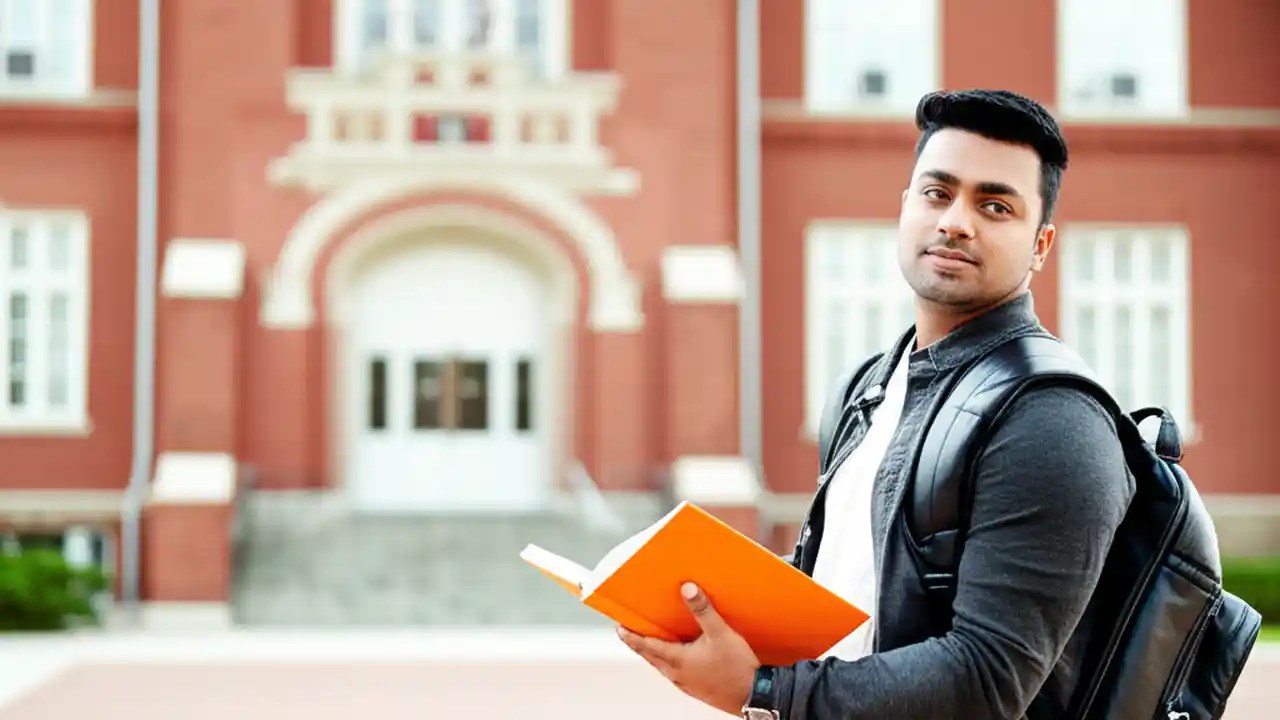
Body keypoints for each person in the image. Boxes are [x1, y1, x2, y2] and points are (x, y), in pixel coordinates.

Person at [616, 88, 1137, 719]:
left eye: (995, 205)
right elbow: (851, 580)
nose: (955, 221)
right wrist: (689, 595)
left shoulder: (1053, 417)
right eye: (937, 193)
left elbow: (990, 677)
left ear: (1040, 245)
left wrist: (763, 693)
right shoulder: (868, 385)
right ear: (905, 206)